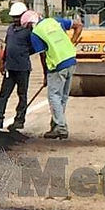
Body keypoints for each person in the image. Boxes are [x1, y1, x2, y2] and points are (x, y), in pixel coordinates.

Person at [21, 11, 82, 139]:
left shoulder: (36, 33)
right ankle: (56, 127)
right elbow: (78, 25)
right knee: (63, 97)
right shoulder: (54, 21)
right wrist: (72, 42)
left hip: (57, 65)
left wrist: (46, 74)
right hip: (71, 60)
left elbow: (43, 55)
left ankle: (61, 127)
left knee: (54, 96)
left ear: (30, 24)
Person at [0, 1, 34, 132]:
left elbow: (33, 48)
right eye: (14, 17)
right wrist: (2, 63)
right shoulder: (10, 29)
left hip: (23, 68)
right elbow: (6, 47)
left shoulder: (29, 30)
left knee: (22, 95)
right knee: (3, 95)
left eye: (18, 17)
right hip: (10, 68)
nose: (16, 19)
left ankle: (19, 121)